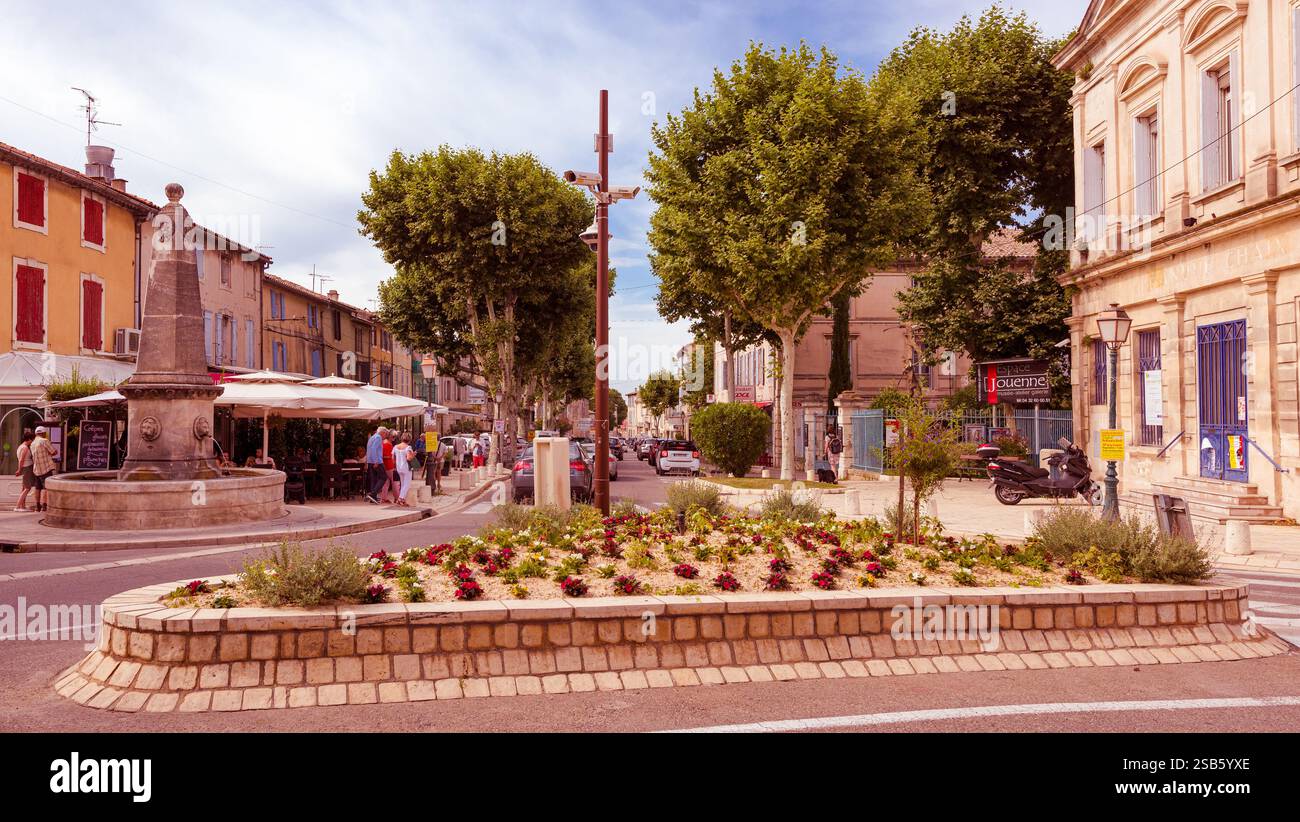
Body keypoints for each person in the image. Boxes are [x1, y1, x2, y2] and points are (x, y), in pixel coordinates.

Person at [30, 426, 58, 513]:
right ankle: (44, 506)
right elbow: (54, 452)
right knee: (45, 488)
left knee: (37, 488)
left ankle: (37, 506)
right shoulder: (44, 441)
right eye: (45, 433)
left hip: (37, 469)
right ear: (43, 433)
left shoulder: (32, 443)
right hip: (46, 468)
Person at [13, 429, 35, 512]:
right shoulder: (25, 448)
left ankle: (23, 506)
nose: (32, 441)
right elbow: (21, 460)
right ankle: (18, 506)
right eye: (31, 440)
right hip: (27, 468)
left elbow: (21, 460)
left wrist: (20, 469)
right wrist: (19, 470)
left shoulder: (20, 446)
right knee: (27, 488)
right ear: (29, 439)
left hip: (25, 468)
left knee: (24, 488)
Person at [364, 426, 387, 504]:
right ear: (382, 432)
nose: (385, 436)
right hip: (377, 461)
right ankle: (373, 493)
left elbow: (368, 450)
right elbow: (374, 449)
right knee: (384, 477)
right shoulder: (378, 437)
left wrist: (368, 461)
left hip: (370, 461)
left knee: (374, 479)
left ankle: (372, 498)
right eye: (385, 434)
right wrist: (376, 461)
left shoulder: (372, 437)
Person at [393, 432, 415, 507]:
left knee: (402, 484)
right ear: (409, 440)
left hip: (398, 467)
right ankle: (400, 498)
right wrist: (413, 455)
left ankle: (402, 500)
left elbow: (393, 458)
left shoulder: (395, 447)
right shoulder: (408, 447)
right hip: (406, 467)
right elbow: (409, 458)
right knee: (407, 484)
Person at [381, 429, 397, 503]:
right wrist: (392, 457)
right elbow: (386, 456)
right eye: (393, 437)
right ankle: (397, 497)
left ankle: (384, 498)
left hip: (385, 466)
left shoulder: (384, 443)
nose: (394, 439)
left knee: (386, 483)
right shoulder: (388, 444)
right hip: (390, 466)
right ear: (390, 436)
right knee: (395, 482)